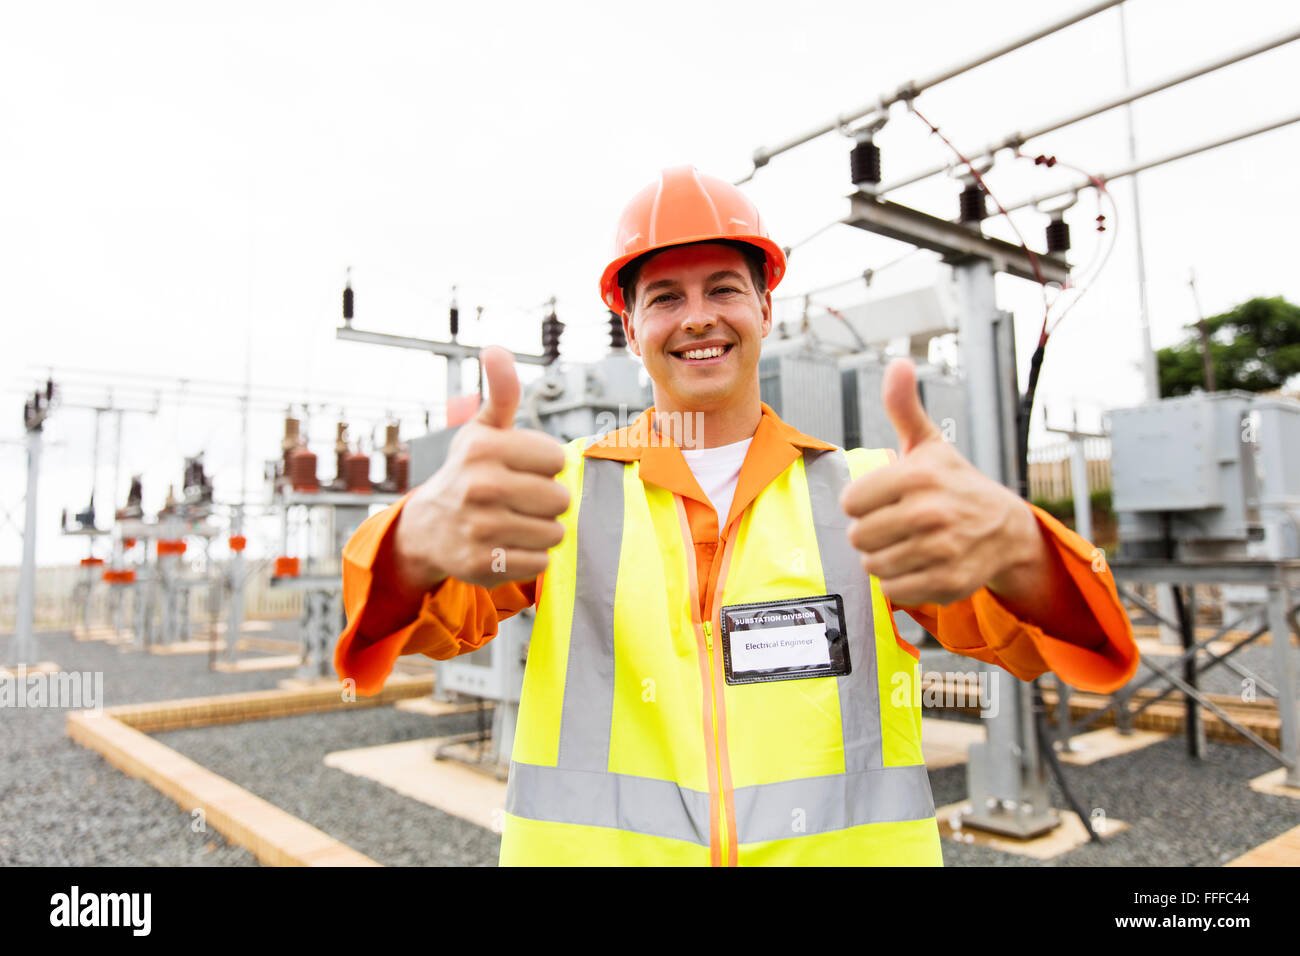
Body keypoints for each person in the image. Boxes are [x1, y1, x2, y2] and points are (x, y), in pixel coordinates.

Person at [335, 165, 1139, 866]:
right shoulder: (563, 495)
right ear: (631, 327)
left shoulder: (864, 494)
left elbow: (1062, 643)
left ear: (763, 306)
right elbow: (409, 629)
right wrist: (408, 546)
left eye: (723, 288)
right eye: (665, 298)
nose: (697, 318)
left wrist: (1026, 554)